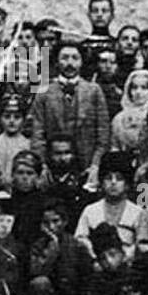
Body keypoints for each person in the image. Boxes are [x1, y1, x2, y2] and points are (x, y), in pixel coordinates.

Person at [27, 41, 111, 188]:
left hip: (86, 167)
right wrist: (42, 165)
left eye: (75, 58)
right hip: (53, 167)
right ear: (57, 62)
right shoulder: (44, 91)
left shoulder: (94, 91)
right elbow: (37, 133)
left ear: (82, 62)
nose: (70, 63)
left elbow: (103, 133)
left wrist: (96, 165)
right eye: (65, 58)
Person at [27, 198, 90, 295]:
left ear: (65, 222)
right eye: (46, 223)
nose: (51, 226)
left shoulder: (77, 247)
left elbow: (87, 282)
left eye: (56, 221)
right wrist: (52, 251)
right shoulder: (38, 246)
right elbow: (36, 271)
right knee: (39, 283)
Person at [74, 150, 143, 262]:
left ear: (127, 184)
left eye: (119, 178)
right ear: (101, 182)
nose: (113, 182)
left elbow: (142, 242)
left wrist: (124, 257)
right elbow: (80, 238)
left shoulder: (137, 212)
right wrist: (95, 258)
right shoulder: (90, 210)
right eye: (108, 178)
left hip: (128, 265)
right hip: (97, 263)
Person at [110, 68, 148, 153]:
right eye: (134, 88)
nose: (138, 92)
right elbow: (115, 146)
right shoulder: (119, 119)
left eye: (144, 88)